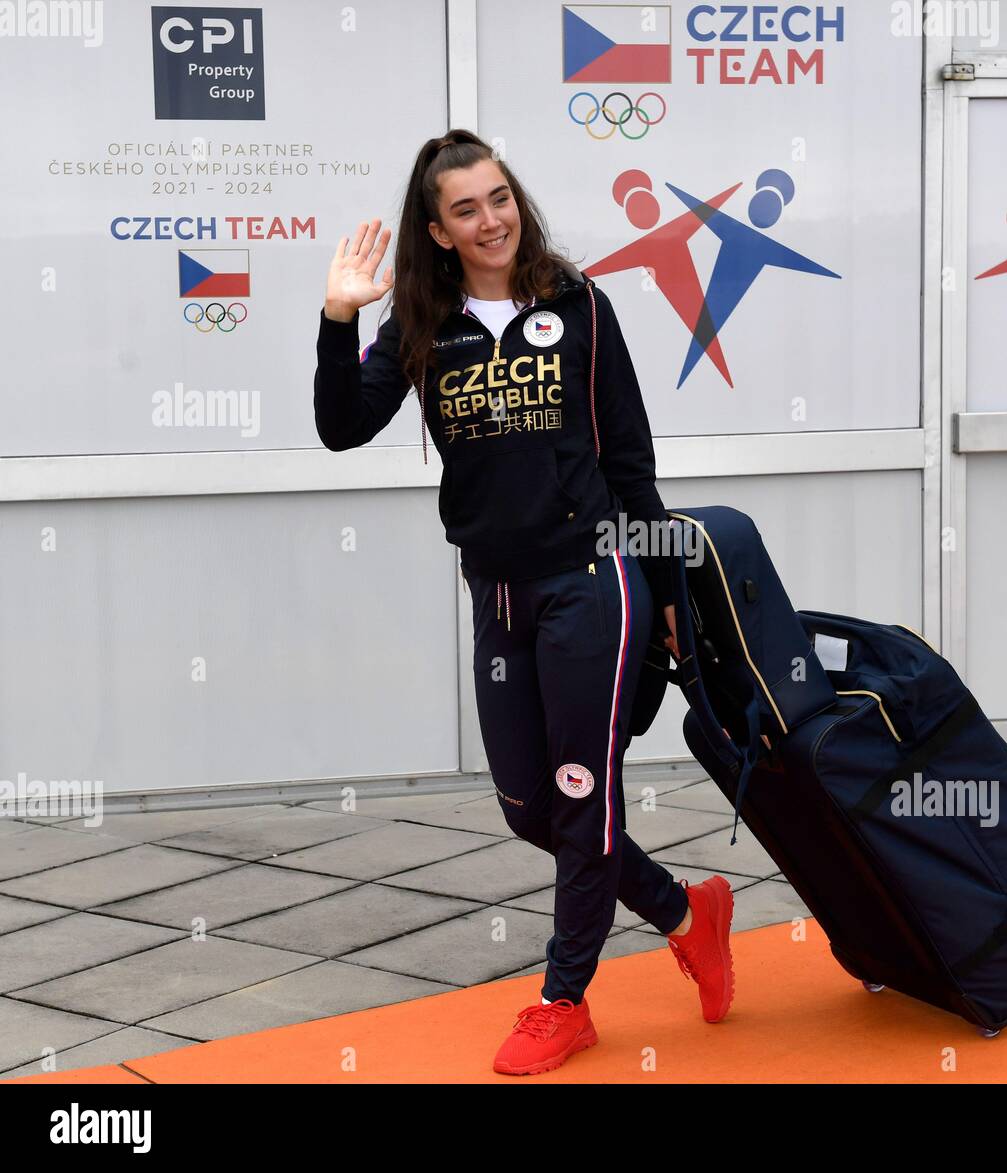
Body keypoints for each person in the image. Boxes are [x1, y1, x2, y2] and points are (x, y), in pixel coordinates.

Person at [313, 129, 735, 1076]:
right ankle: (684, 911)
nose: (490, 219)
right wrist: (339, 319)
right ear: (439, 228)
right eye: (466, 208)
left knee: (583, 797)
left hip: (593, 585)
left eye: (499, 197)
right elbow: (341, 427)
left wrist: (665, 592)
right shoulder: (423, 323)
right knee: (526, 804)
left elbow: (630, 459)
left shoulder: (579, 303)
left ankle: (564, 998)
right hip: (495, 593)